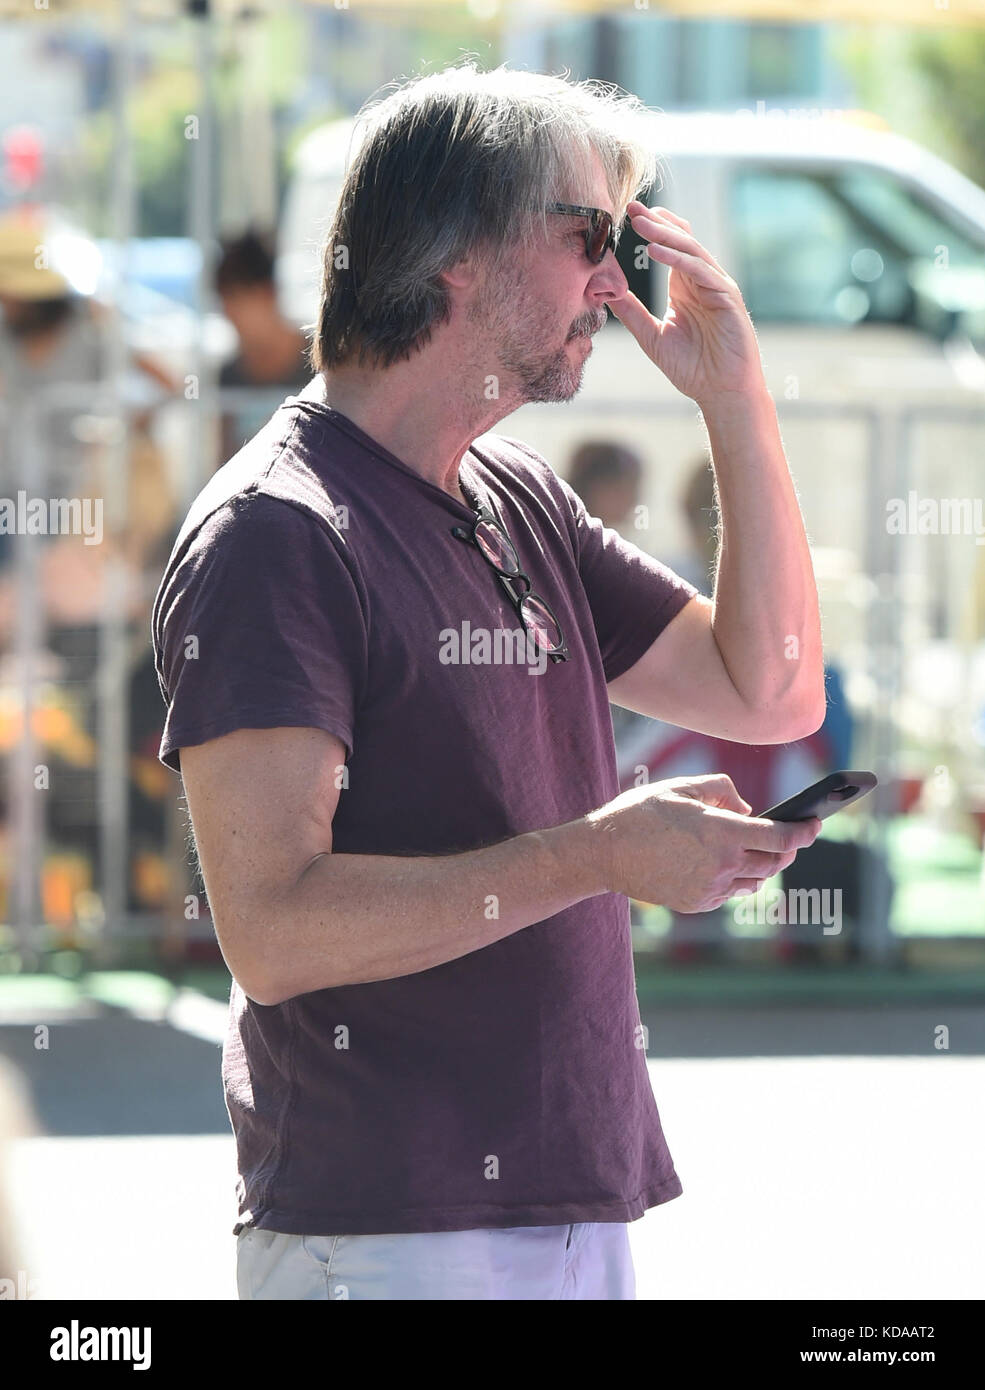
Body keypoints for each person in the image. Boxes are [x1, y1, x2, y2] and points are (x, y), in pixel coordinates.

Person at [151, 62, 825, 1301]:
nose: (617, 280)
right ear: (458, 253)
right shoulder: (276, 529)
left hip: (566, 1205)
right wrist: (596, 854)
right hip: (388, 1232)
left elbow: (772, 692)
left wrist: (739, 401)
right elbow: (273, 929)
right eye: (592, 235)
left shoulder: (516, 493)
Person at [213, 228, 311, 468]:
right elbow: (225, 463)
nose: (229, 313)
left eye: (236, 299)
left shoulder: (319, 361)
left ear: (268, 293)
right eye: (224, 301)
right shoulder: (229, 374)